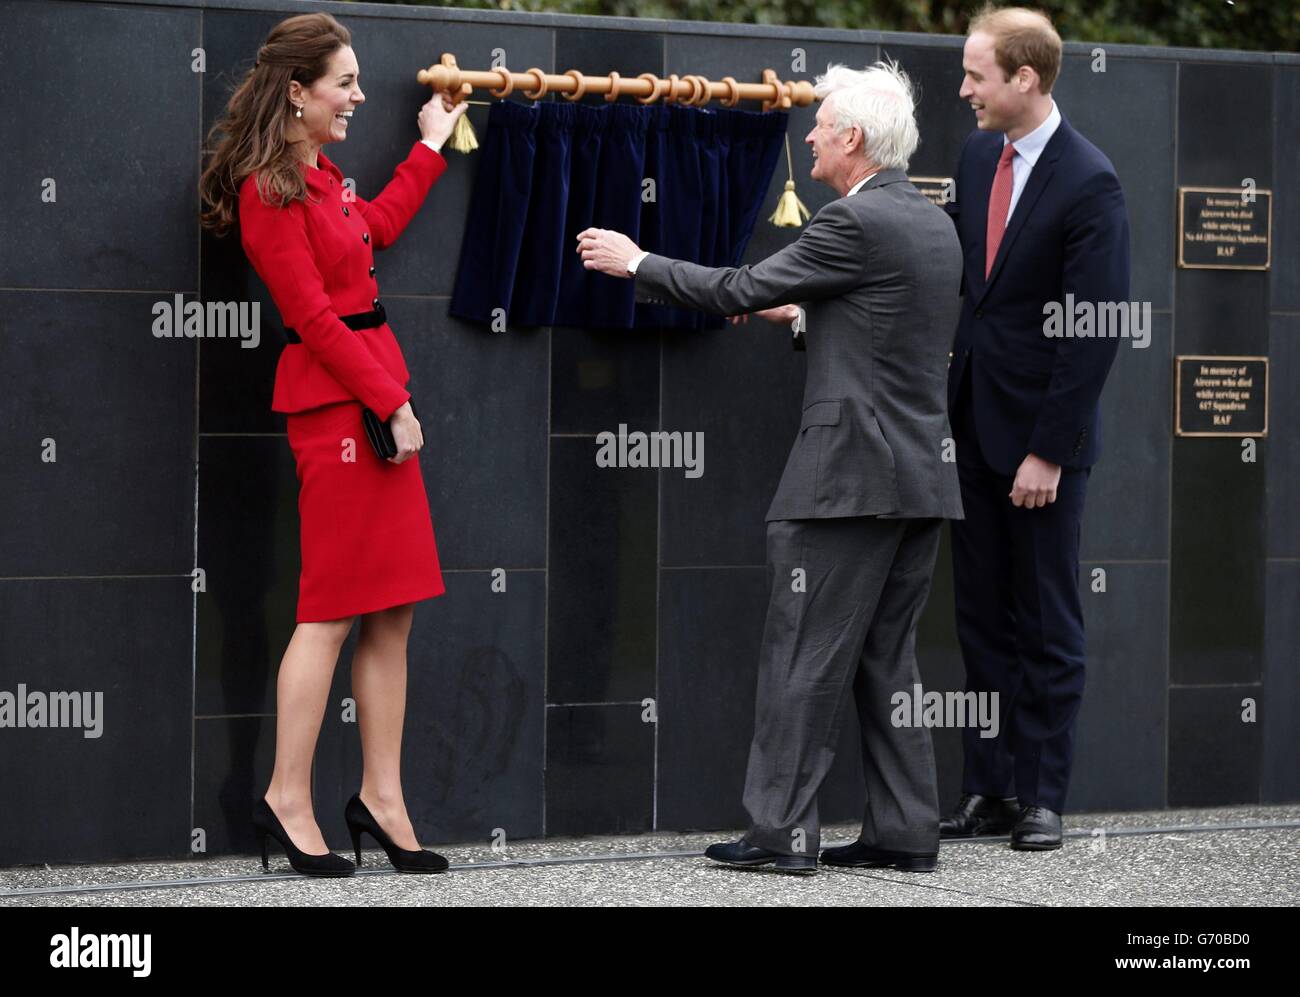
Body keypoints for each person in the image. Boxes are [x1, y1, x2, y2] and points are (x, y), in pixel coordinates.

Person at [578, 61, 963, 874]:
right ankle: (906, 830)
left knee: (803, 652)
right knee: (886, 658)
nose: (811, 136)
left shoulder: (851, 223)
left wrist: (637, 261)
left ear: (852, 139)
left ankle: (780, 832)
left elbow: (738, 286)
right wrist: (806, 312)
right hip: (920, 478)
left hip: (846, 480)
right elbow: (883, 330)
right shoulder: (929, 221)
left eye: (821, 124)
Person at [198, 12, 467, 876]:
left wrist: (432, 143)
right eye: (344, 83)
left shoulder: (321, 175)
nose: (357, 96)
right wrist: (391, 403)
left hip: (376, 399)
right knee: (329, 611)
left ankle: (381, 801)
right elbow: (312, 317)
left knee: (393, 608)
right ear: (297, 91)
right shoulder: (266, 192)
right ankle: (285, 797)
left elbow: (374, 229)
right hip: (340, 409)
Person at [941, 5, 1129, 850]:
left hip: (1043, 448)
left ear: (1026, 78)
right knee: (981, 617)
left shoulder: (1091, 181)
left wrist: (1048, 450)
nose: (965, 89)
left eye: (977, 75)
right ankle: (990, 787)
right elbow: (959, 274)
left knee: (1047, 620)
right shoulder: (980, 155)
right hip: (973, 429)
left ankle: (1043, 793)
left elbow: (1093, 333)